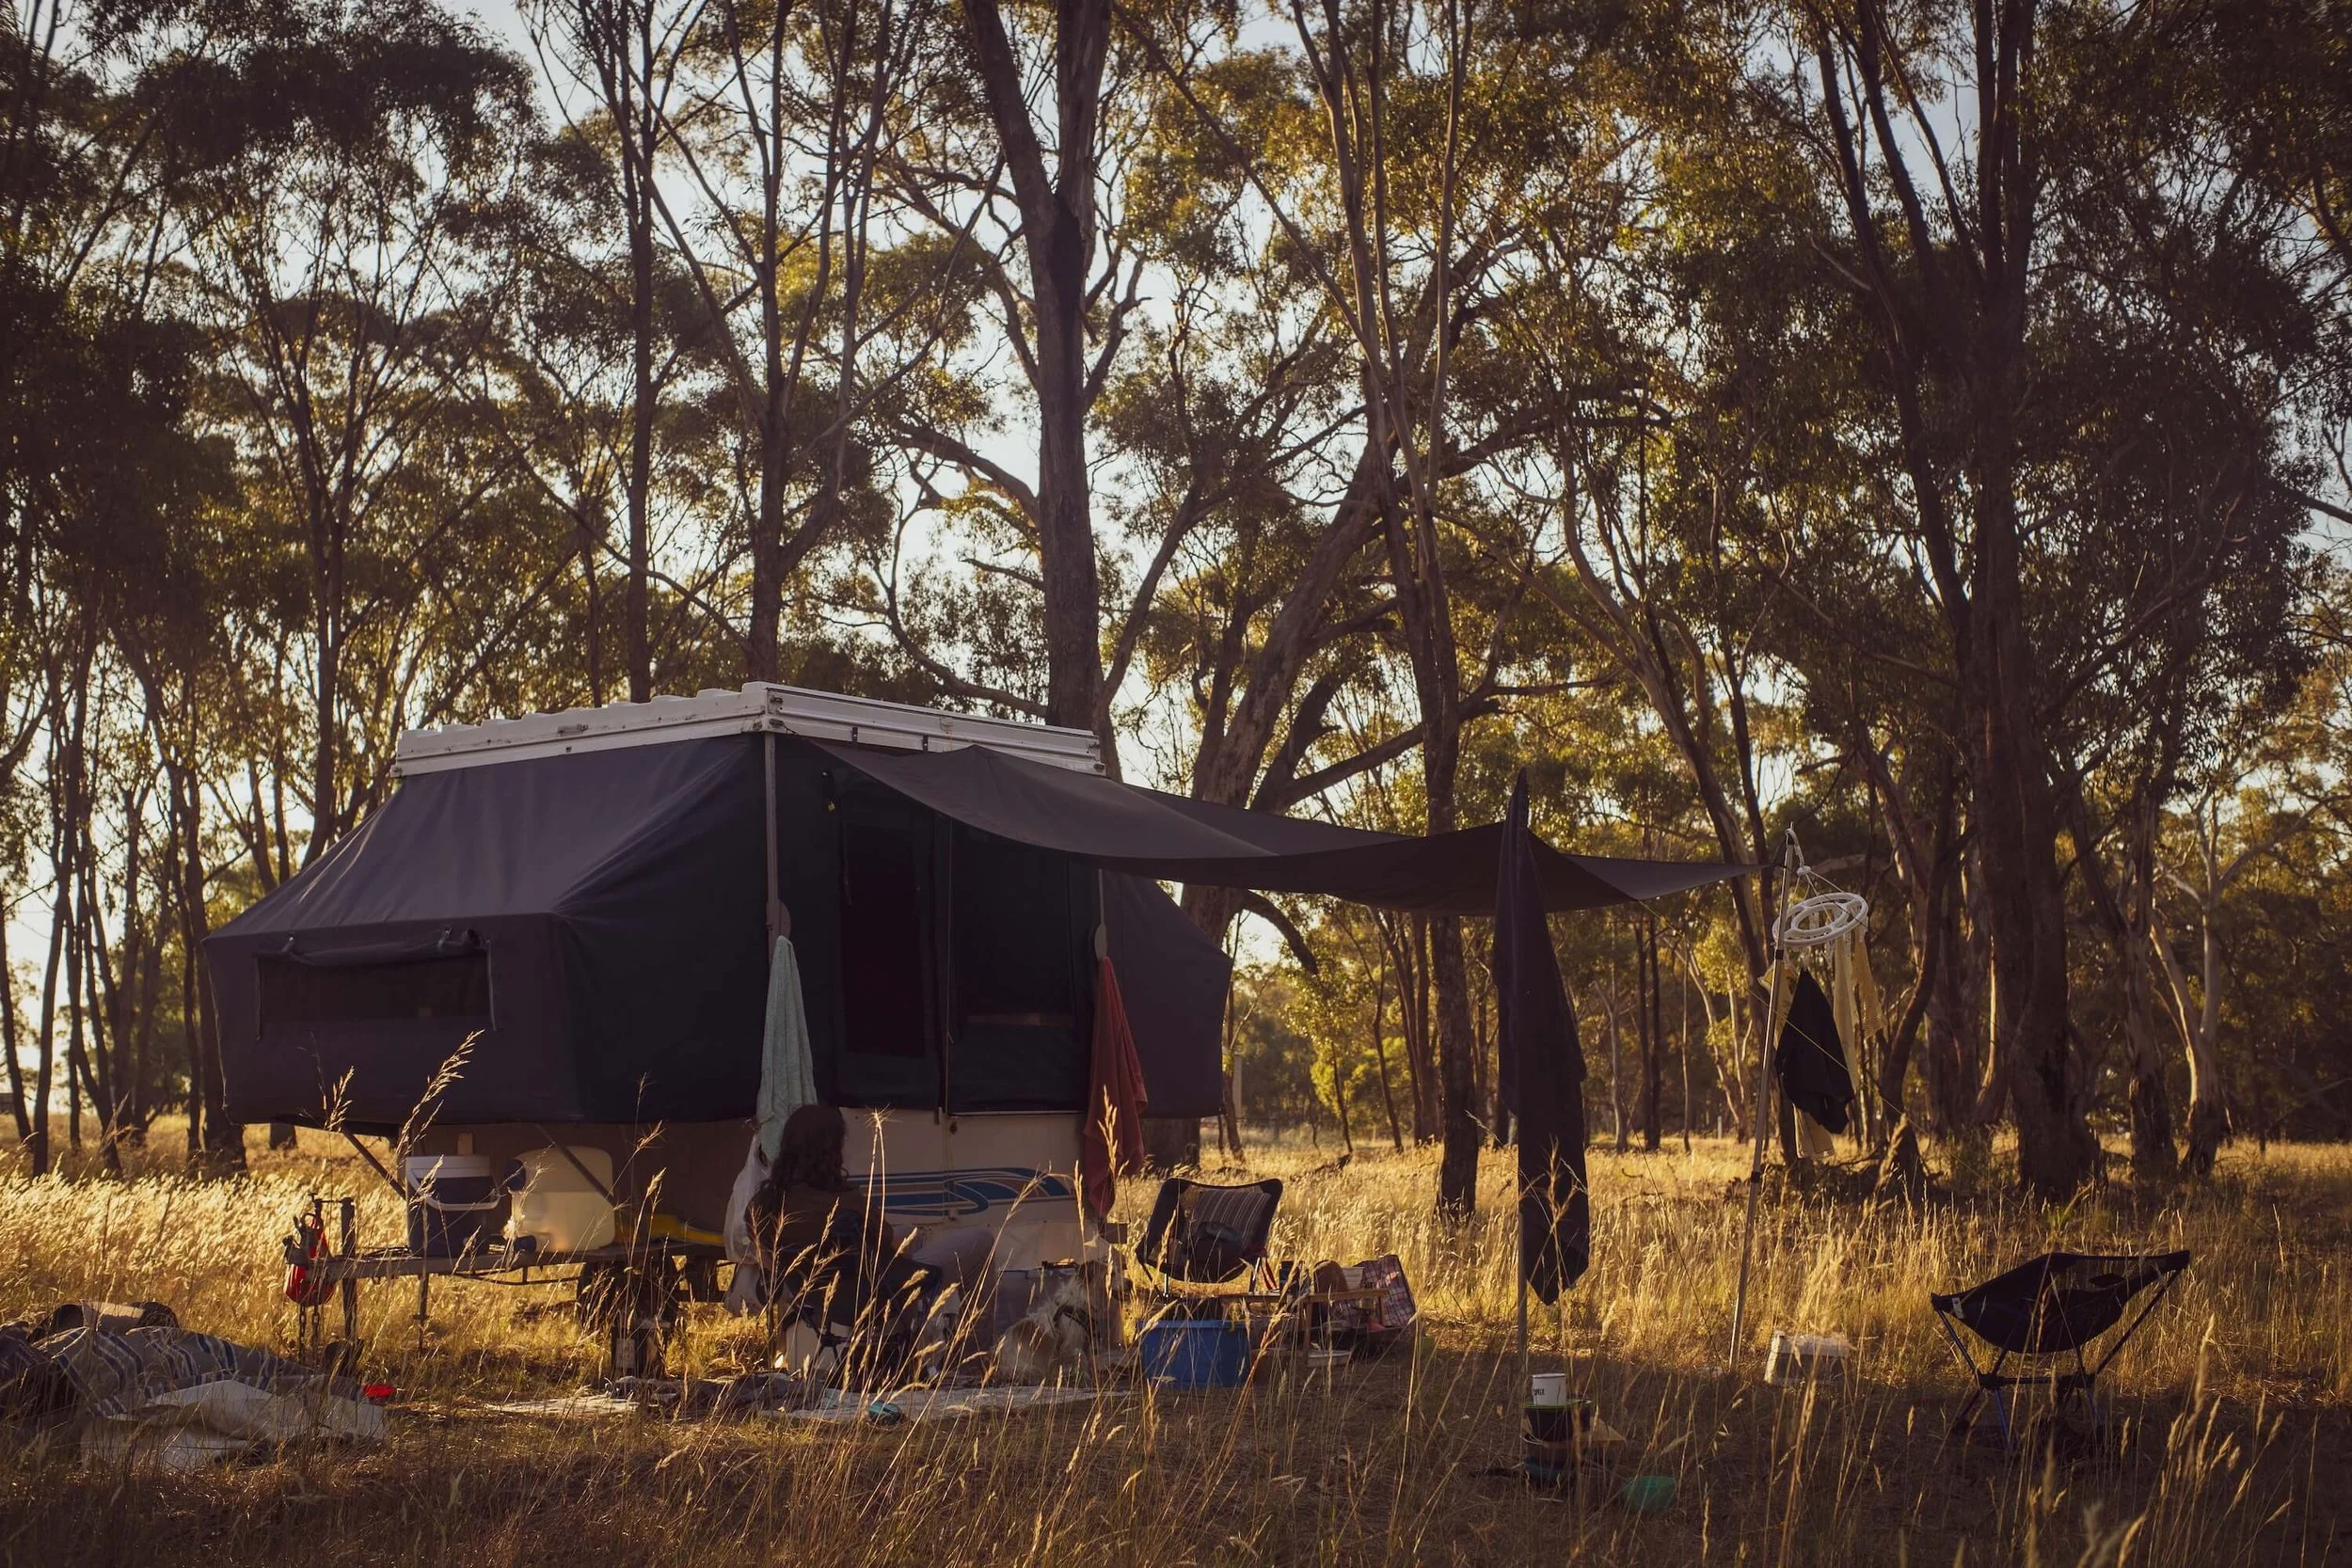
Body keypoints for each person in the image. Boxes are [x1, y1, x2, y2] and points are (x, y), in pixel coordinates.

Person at [747, 1105, 933, 1335]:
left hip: (811, 1295)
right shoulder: (846, 1205)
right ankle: (966, 1361)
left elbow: (766, 1257)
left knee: (906, 1234)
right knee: (978, 1241)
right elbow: (888, 1242)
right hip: (864, 1297)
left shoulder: (764, 1204)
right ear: (832, 1151)